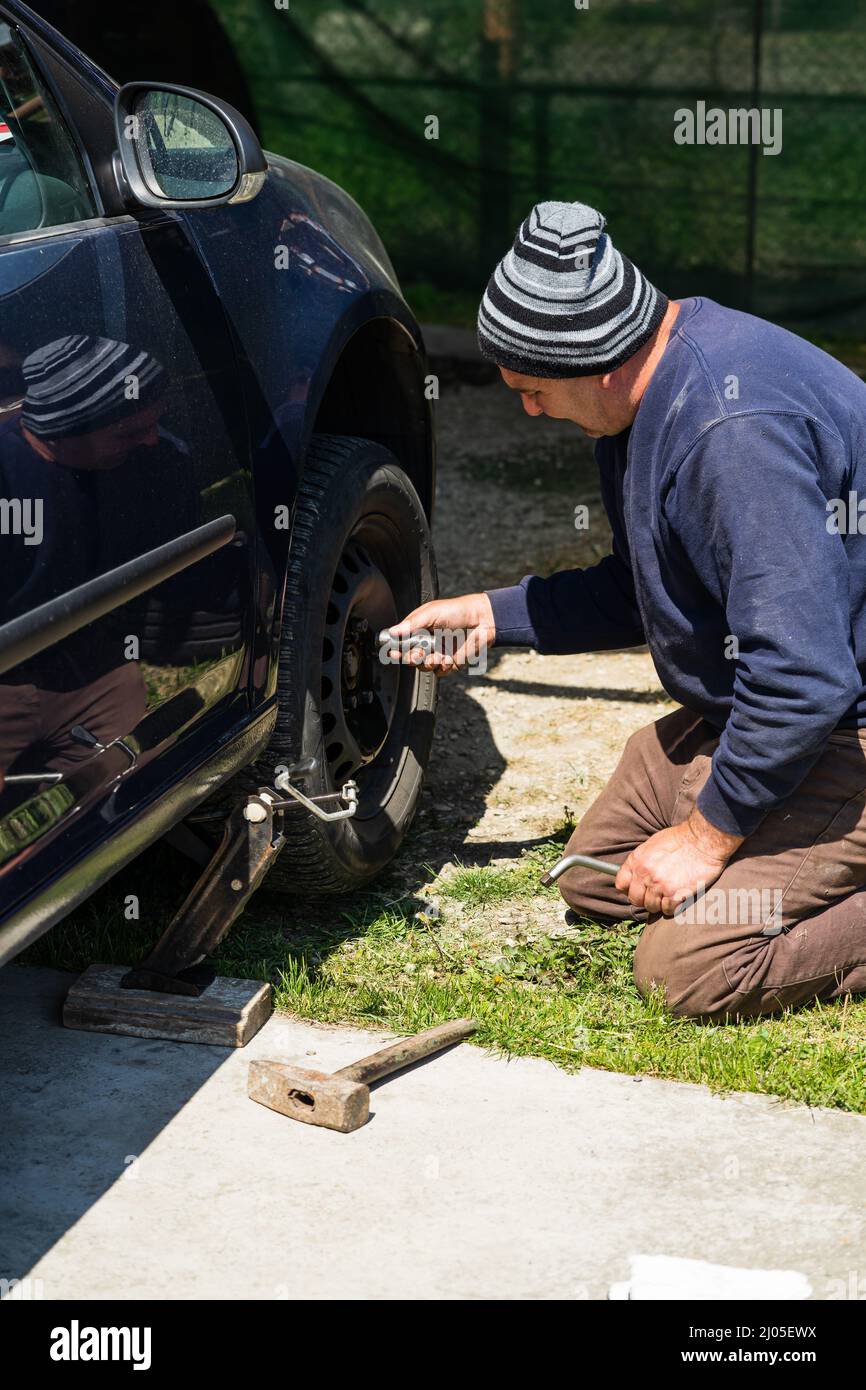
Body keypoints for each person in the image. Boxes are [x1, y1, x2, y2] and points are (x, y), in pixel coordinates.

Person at [390, 199, 866, 1022]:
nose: (529, 411)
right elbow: (654, 586)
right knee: (595, 880)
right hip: (778, 706)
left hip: (842, 721)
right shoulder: (653, 386)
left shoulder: (732, 432)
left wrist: (707, 836)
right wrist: (497, 616)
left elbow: (804, 670)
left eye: (534, 391)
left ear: (600, 362)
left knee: (688, 967)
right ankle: (767, 808)